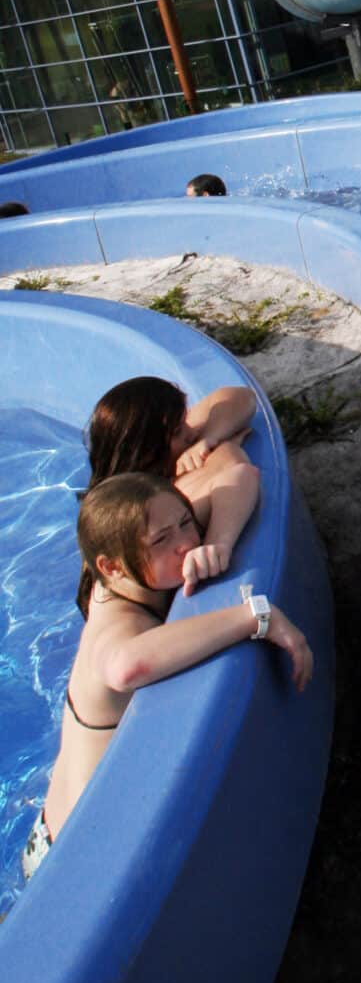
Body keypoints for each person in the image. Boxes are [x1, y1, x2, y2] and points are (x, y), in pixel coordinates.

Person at [22, 471, 312, 881]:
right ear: (111, 565)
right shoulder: (116, 623)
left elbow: (240, 475)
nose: (185, 543)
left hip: (58, 824)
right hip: (66, 856)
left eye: (186, 522)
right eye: (162, 541)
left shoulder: (122, 573)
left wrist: (221, 542)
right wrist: (253, 617)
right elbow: (126, 666)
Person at [86, 376, 259, 593]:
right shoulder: (154, 503)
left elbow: (241, 397)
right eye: (178, 432)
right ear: (146, 453)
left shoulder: (171, 452)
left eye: (184, 421)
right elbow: (235, 468)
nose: (191, 432)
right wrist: (221, 448)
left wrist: (209, 439)